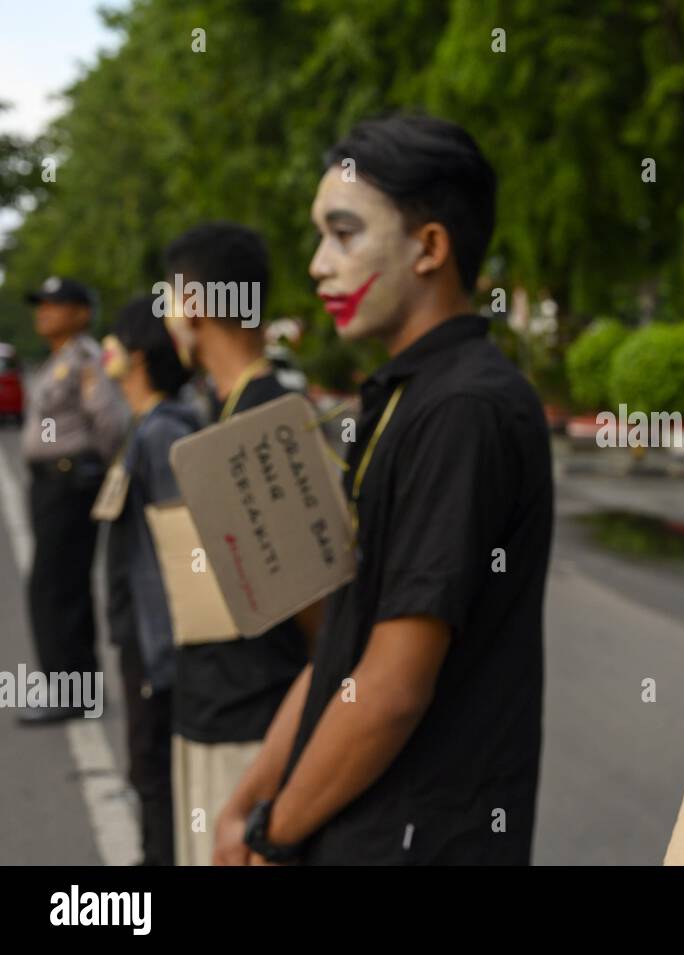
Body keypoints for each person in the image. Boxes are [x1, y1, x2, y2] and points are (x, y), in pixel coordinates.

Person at [214, 114, 553, 865]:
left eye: (342, 234)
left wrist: (274, 831)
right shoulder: (401, 396)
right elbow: (344, 643)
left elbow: (393, 686)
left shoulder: (465, 408)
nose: (317, 265)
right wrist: (247, 800)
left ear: (430, 246)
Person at [160, 223, 311, 864]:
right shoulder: (231, 412)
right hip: (217, 714)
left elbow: (323, 622)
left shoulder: (262, 427)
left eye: (168, 296)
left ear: (191, 303)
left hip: (251, 734)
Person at [99, 295, 200, 865]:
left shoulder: (163, 433)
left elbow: (181, 549)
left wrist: (163, 648)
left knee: (154, 766)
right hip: (145, 632)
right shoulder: (150, 425)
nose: (103, 351)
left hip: (158, 640)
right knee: (149, 763)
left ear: (136, 357)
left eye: (112, 341)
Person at [18, 276, 128, 725]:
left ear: (81, 312)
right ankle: (78, 690)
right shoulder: (58, 360)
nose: (44, 311)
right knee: (62, 587)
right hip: (50, 485)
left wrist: (97, 471)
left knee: (53, 588)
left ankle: (70, 693)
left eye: (55, 304)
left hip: (69, 485)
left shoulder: (86, 358)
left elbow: (111, 421)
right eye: (41, 304)